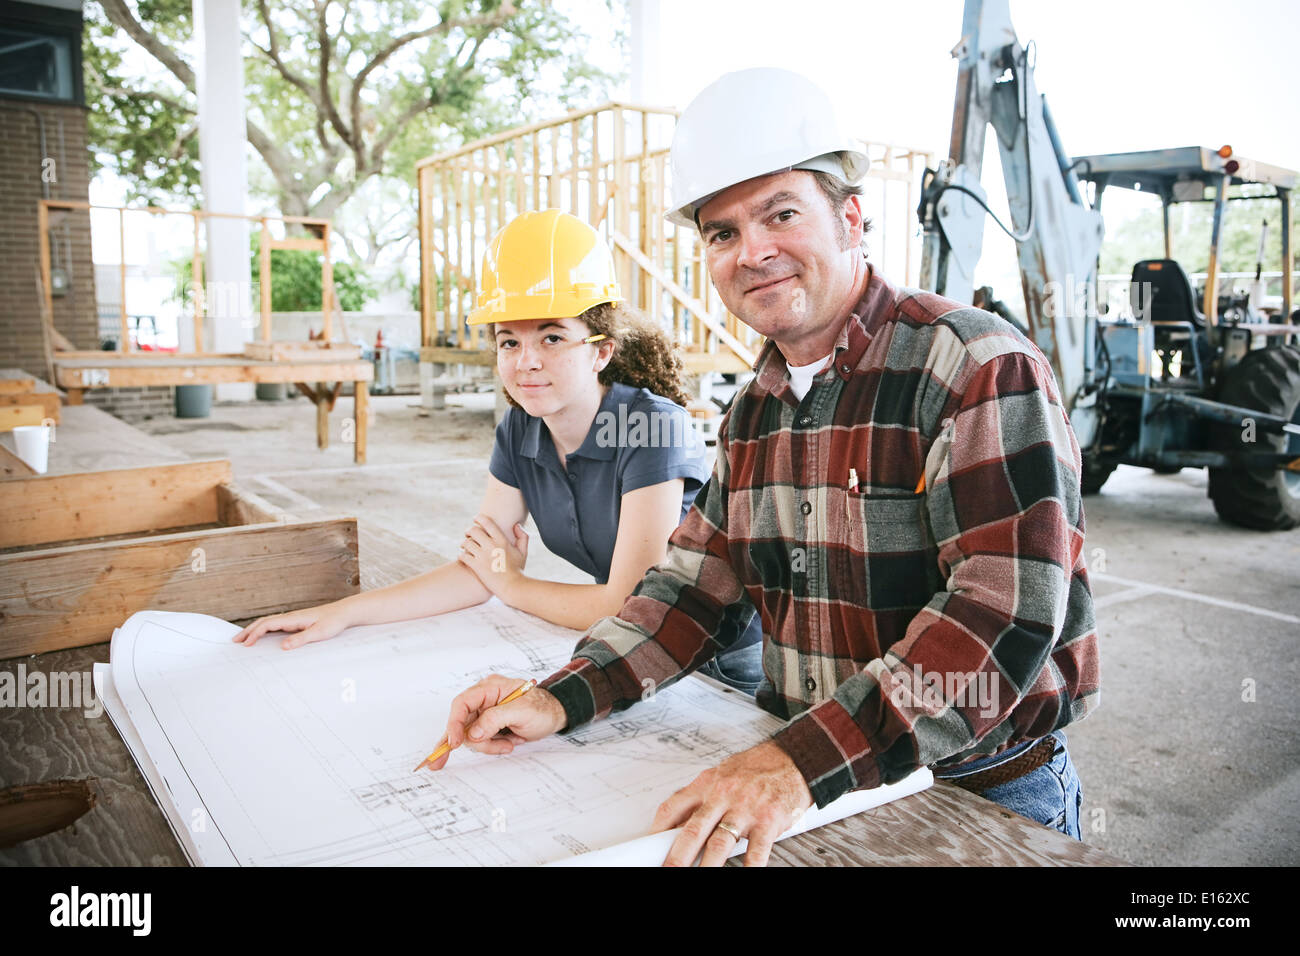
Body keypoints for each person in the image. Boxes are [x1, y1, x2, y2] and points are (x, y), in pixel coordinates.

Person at [429, 68, 1100, 867]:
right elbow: (691, 591)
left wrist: (793, 765)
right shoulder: (757, 411)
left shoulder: (973, 367)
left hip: (975, 794)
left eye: (781, 214)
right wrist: (559, 696)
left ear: (851, 218)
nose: (753, 253)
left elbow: (1000, 616)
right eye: (721, 233)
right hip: (813, 785)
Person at [232, 208, 763, 691]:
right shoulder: (520, 431)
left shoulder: (651, 426)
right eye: (509, 340)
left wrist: (510, 584)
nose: (525, 361)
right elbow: (477, 566)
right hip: (640, 648)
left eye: (552, 337)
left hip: (723, 658)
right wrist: (344, 613)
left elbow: (627, 601)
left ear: (601, 351)